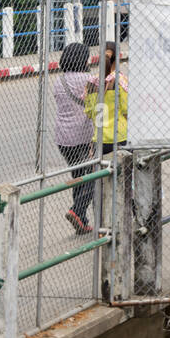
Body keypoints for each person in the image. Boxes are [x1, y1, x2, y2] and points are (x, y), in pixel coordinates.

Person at [54, 42, 98, 235]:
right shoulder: (89, 79)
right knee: (93, 176)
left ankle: (82, 222)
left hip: (63, 138)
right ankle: (77, 210)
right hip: (83, 136)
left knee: (78, 176)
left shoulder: (59, 81)